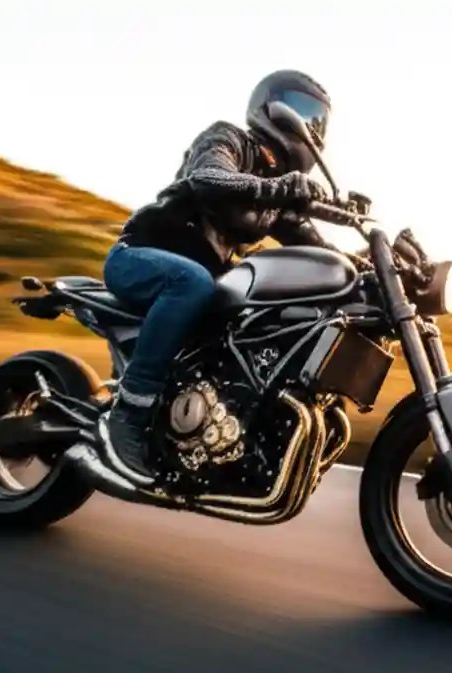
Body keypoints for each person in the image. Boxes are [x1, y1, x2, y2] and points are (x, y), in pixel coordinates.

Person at [100, 69, 337, 481]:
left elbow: (314, 246)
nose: (309, 126)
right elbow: (210, 178)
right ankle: (129, 412)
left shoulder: (277, 193)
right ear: (271, 108)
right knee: (192, 281)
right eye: (301, 111)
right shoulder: (229, 139)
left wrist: (372, 266)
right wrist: (281, 188)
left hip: (200, 283)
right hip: (139, 257)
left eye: (317, 118)